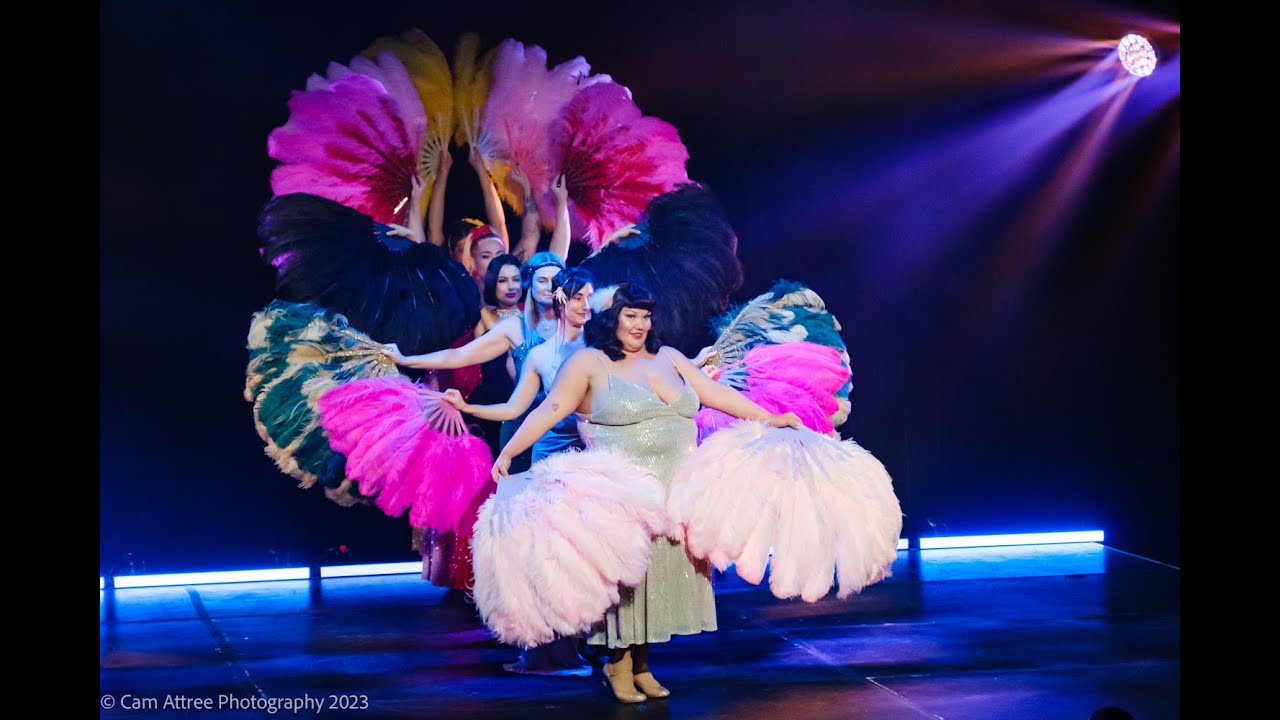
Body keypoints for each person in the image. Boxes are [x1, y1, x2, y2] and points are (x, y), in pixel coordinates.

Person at [491, 283, 801, 703]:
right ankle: (617, 664)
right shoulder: (589, 362)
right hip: (622, 497)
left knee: (659, 580)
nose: (640, 324)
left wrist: (771, 417)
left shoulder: (670, 357)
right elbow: (549, 410)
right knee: (630, 579)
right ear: (610, 317)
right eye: (630, 314)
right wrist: (511, 451)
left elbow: (715, 395)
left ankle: (641, 664)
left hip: (676, 493)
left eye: (645, 315)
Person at [443, 267, 597, 676]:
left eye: (590, 298)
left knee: (590, 554)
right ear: (561, 300)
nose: (586, 306)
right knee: (553, 557)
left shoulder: (602, 348)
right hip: (550, 461)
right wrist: (470, 408)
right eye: (578, 297)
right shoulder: (542, 354)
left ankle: (587, 642)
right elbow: (516, 409)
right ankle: (551, 648)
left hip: (594, 458)